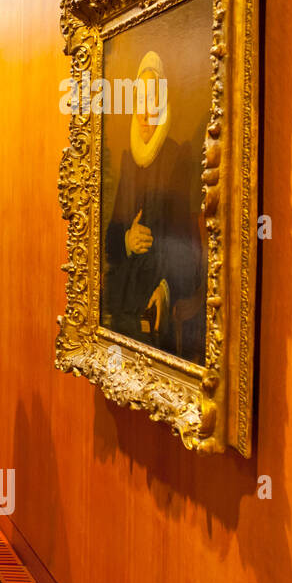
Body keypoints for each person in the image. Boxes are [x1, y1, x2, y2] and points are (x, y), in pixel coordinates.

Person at [104, 50, 204, 361]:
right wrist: (127, 240)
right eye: (140, 101)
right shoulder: (128, 159)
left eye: (153, 102)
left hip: (158, 299)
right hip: (123, 297)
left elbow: (189, 249)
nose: (146, 113)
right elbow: (110, 240)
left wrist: (167, 287)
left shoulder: (177, 157)